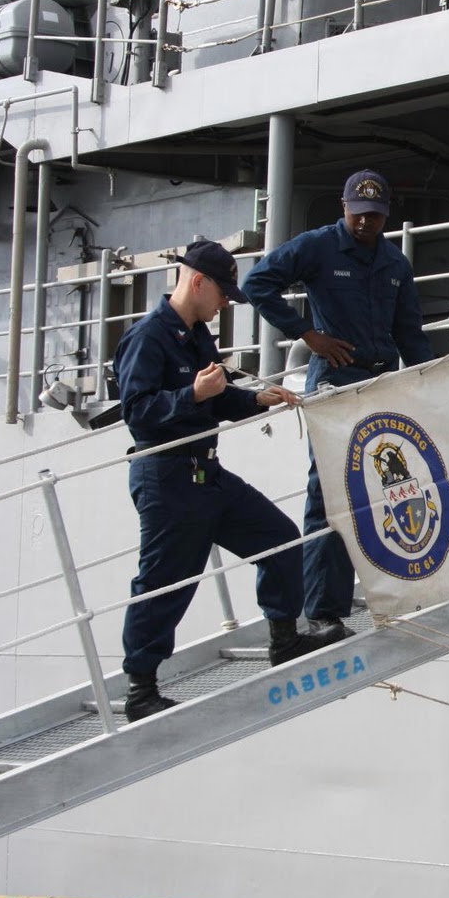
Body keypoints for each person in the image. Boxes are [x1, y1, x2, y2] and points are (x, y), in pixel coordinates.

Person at [116, 240, 345, 722]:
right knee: (164, 583)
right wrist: (191, 393)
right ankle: (140, 691)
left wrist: (256, 400)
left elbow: (216, 402)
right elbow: (137, 412)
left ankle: (284, 639)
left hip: (207, 472)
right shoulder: (148, 337)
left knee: (280, 540)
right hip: (168, 477)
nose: (226, 304)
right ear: (198, 282)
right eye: (223, 294)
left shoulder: (197, 334)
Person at [242, 169, 434, 640]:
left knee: (386, 488)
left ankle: (389, 586)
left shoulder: (394, 262)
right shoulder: (318, 246)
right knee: (329, 495)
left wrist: (428, 381)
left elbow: (409, 331)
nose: (367, 223)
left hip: (380, 382)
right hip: (335, 381)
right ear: (344, 209)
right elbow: (257, 283)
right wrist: (308, 335)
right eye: (360, 214)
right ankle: (323, 610)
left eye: (376, 216)